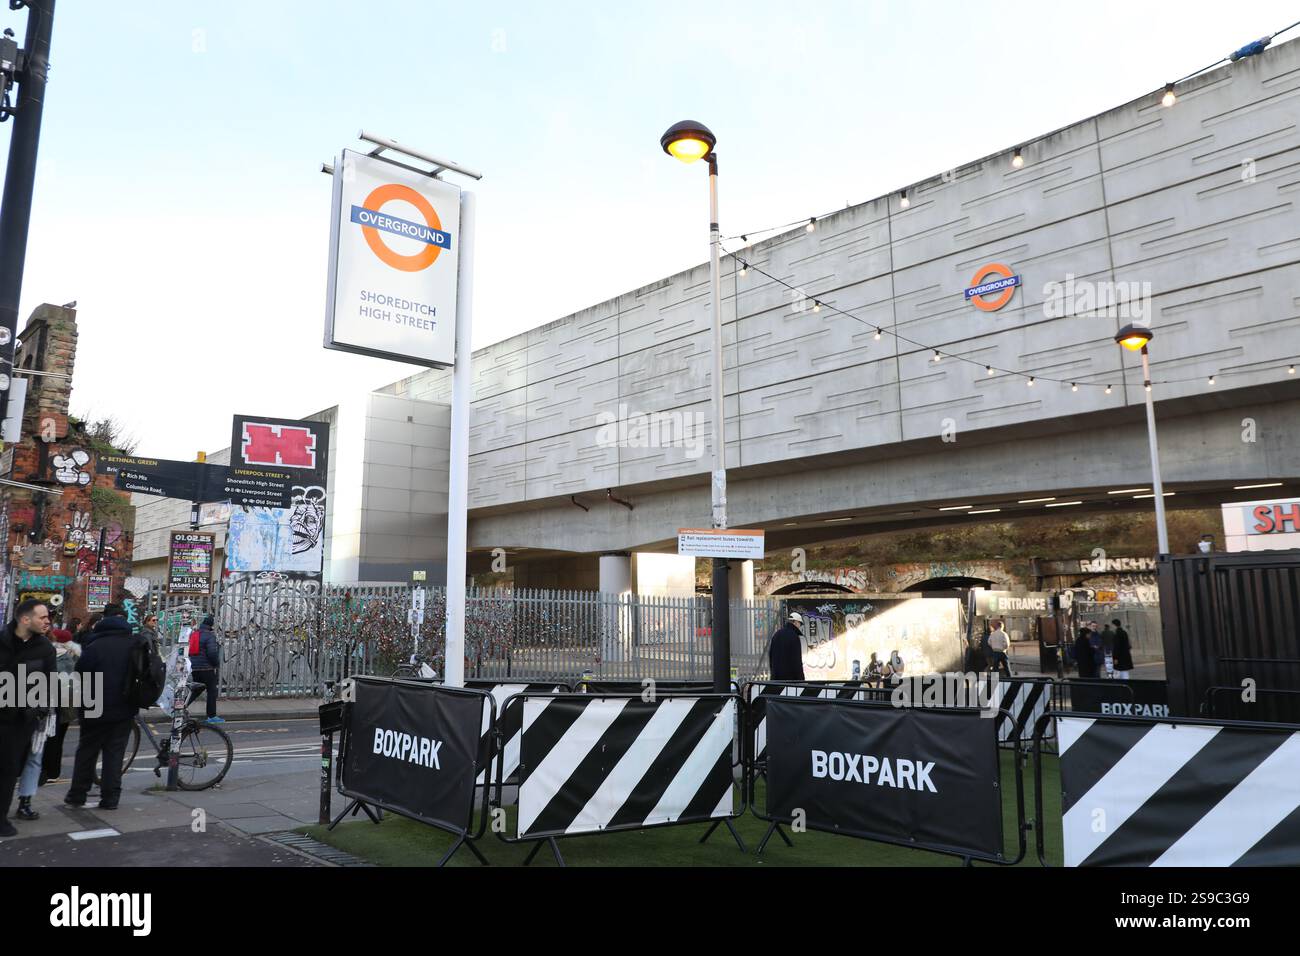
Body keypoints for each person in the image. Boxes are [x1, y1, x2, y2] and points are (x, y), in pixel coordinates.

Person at [66, 604, 151, 810]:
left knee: (87, 752)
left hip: (94, 708)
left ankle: (78, 794)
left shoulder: (95, 646)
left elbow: (80, 675)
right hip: (124, 707)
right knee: (114, 754)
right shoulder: (135, 644)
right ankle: (110, 798)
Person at [1, 599, 56, 836]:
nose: (47, 621)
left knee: (8, 770)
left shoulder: (45, 648)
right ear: (25, 619)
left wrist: (37, 712)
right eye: (42, 617)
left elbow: (49, 684)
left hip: (19, 721)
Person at [187, 614, 223, 722]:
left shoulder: (195, 634)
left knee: (197, 689)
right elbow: (212, 653)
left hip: (195, 668)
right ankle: (211, 716)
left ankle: (180, 707)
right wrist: (216, 664)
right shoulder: (209, 636)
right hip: (207, 668)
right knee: (212, 690)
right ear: (211, 625)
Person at [768, 612, 805, 682]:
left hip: (776, 679)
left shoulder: (776, 634)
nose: (800, 626)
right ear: (796, 622)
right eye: (800, 624)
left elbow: (770, 656)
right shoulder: (794, 637)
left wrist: (773, 674)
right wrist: (801, 680)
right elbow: (797, 661)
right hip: (790, 681)